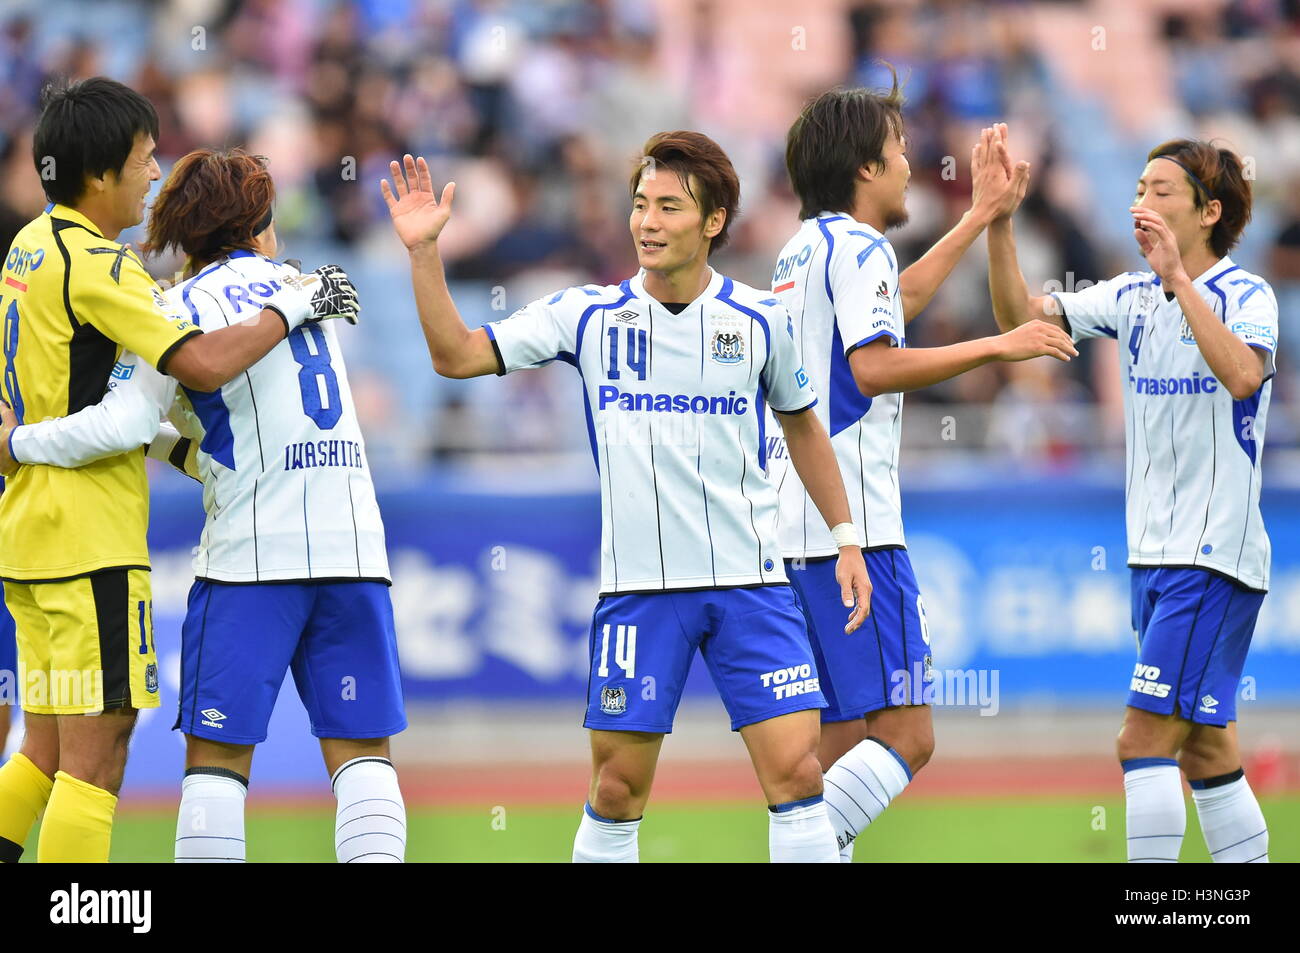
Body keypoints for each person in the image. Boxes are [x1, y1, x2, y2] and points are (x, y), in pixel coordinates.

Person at [382, 135, 872, 863]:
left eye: (669, 206)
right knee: (616, 788)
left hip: (753, 585)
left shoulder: (761, 320)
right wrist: (424, 253)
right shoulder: (587, 315)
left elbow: (803, 424)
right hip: (640, 592)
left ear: (713, 221)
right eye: (640, 204)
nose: (647, 221)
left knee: (800, 774)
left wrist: (846, 535)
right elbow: (455, 354)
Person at [0, 148, 405, 863]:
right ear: (261, 223)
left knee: (217, 766)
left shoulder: (177, 306)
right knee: (364, 759)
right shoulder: (308, 286)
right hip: (354, 547)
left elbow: (124, 422)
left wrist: (22, 441)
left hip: (251, 558)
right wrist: (179, 449)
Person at [769, 81, 1077, 862]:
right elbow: (871, 366)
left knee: (834, 746)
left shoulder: (803, 247)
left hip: (793, 524)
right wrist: (997, 346)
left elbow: (895, 301)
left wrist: (979, 216)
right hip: (857, 529)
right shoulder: (861, 247)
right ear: (865, 166)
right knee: (907, 734)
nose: (910, 164)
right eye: (899, 150)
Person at [987, 129, 1274, 863]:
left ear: (1209, 211)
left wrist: (1181, 279)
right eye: (1139, 188)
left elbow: (1243, 375)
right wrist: (997, 222)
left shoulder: (1247, 294)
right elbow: (1018, 319)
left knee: (1140, 739)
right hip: (1153, 555)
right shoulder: (1129, 296)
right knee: (1207, 749)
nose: (1139, 201)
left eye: (1160, 190)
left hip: (1210, 553)